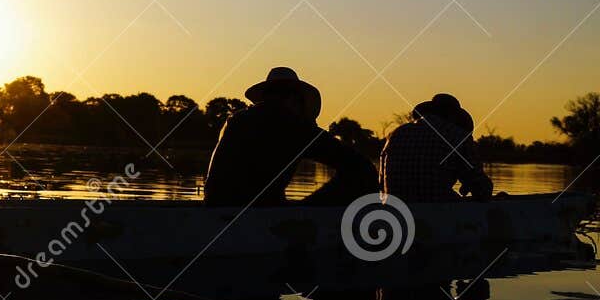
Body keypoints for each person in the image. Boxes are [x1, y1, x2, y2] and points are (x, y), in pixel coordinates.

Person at [202, 67, 376, 206]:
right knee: (363, 174)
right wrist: (306, 209)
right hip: (253, 216)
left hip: (215, 208)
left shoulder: (234, 121)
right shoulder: (291, 124)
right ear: (293, 100)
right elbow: (361, 166)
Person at [380, 93, 491, 202]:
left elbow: (381, 184)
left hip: (397, 212)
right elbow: (482, 190)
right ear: (453, 116)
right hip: (440, 211)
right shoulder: (458, 136)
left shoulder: (397, 134)